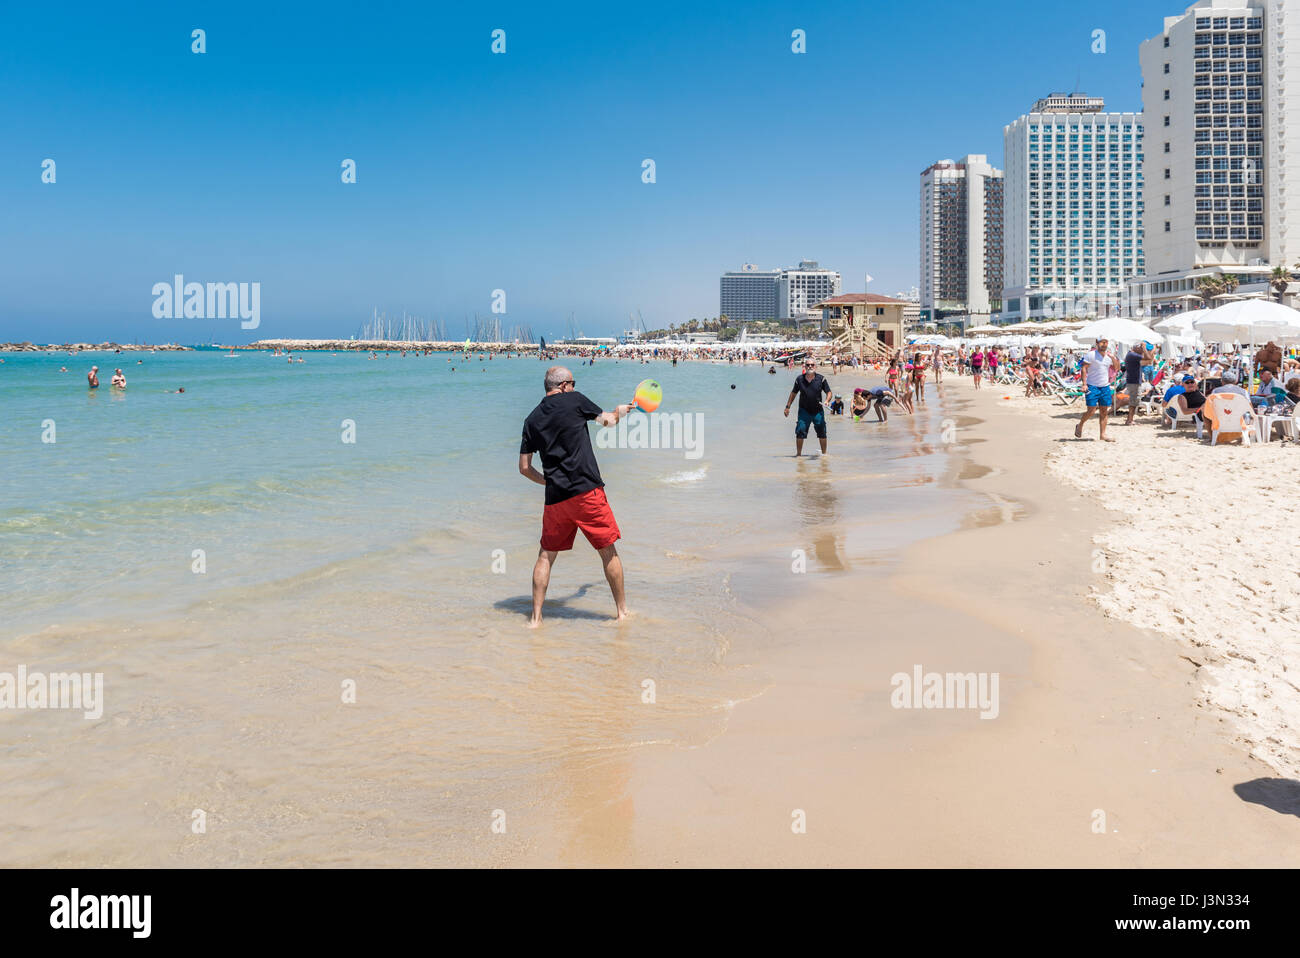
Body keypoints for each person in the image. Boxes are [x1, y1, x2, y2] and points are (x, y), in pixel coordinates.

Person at [518, 366, 633, 628]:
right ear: (564, 385)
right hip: (586, 492)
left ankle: (535, 619)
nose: (573, 386)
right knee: (608, 552)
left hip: (556, 498)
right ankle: (622, 613)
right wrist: (621, 411)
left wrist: (548, 481)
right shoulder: (575, 399)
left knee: (545, 556)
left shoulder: (531, 419)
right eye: (572, 383)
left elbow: (524, 468)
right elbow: (609, 421)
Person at [784, 361, 832, 457]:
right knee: (800, 431)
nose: (810, 366)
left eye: (812, 365)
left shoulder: (821, 379)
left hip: (818, 411)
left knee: (822, 431)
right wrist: (787, 407)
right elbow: (793, 393)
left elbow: (829, 392)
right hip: (804, 410)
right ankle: (798, 456)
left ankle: (824, 455)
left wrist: (827, 400)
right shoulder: (799, 379)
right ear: (805, 366)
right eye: (808, 365)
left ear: (815, 366)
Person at [1074, 337, 1117, 441]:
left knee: (1104, 411)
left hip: (1105, 386)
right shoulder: (1091, 354)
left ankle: (1103, 435)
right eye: (1102, 342)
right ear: (1097, 343)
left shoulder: (1109, 356)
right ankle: (1080, 425)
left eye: (1106, 342)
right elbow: (1084, 368)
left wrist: (1113, 358)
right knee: (1091, 410)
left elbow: (1117, 367)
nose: (1104, 344)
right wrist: (1084, 384)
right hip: (1092, 385)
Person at [1122, 342, 1149, 425]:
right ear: (1137, 348)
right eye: (1141, 348)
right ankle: (1129, 420)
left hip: (1133, 380)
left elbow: (1147, 361)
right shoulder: (1133, 355)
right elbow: (1148, 358)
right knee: (1133, 401)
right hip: (1134, 381)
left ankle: (1130, 419)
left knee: (1134, 401)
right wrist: (1144, 348)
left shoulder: (1131, 355)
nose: (1142, 350)